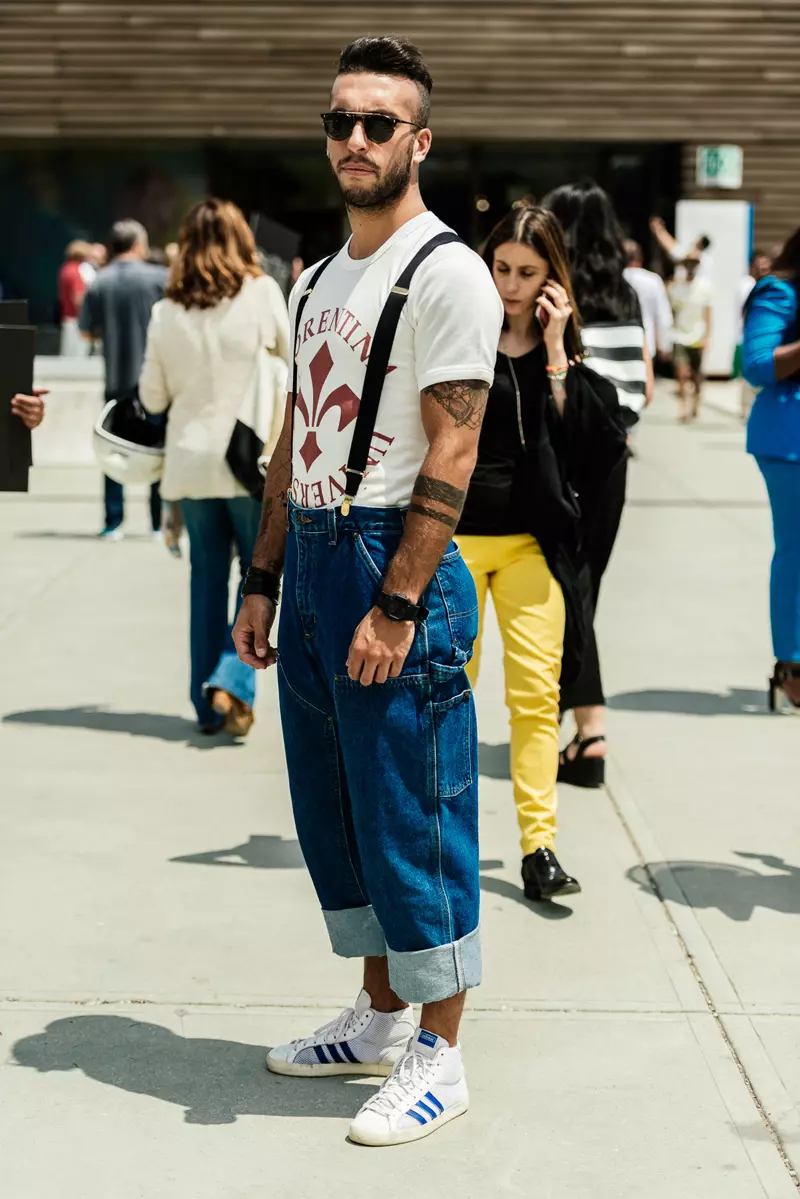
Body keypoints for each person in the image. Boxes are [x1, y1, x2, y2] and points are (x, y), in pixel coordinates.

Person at [232, 35, 503, 1146]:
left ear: (418, 141)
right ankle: (379, 1013)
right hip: (312, 552)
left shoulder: (447, 272)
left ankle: (440, 1050)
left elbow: (453, 446)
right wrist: (262, 574)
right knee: (334, 803)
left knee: (412, 804)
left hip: (395, 557)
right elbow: (298, 429)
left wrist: (395, 605)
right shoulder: (311, 277)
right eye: (339, 120)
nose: (353, 138)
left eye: (377, 123)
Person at [457, 204, 625, 903]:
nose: (512, 285)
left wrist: (556, 353)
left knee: (534, 701)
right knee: (446, 697)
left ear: (552, 277)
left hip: (531, 546)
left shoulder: (565, 353)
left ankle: (539, 848)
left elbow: (591, 442)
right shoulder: (457, 332)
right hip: (452, 541)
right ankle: (446, 843)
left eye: (528, 272)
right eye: (501, 269)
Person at [139, 199, 290, 737]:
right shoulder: (263, 293)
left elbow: (152, 399)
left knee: (205, 579)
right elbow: (292, 363)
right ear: (240, 241)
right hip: (250, 460)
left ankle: (206, 704)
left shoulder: (166, 311)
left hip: (190, 463)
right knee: (256, 580)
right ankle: (233, 679)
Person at [543, 180, 650, 788]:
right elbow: (646, 387)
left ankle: (590, 735)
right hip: (614, 458)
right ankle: (579, 727)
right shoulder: (628, 292)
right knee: (584, 591)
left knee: (568, 594)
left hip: (565, 454)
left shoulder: (558, 294)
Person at [741, 227, 800, 709]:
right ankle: (793, 664)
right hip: (790, 440)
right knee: (797, 552)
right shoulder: (781, 290)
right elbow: (758, 364)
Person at [80, 219, 167, 540]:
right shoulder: (161, 278)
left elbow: (86, 331)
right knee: (159, 450)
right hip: (155, 381)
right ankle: (159, 522)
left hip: (116, 380)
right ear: (138, 245)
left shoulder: (98, 282)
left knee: (113, 451)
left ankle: (113, 522)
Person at [670, 254, 714, 422]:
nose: (690, 267)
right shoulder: (677, 287)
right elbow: (672, 311)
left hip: (698, 335)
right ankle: (683, 407)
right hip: (680, 335)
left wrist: (707, 337)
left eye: (693, 264)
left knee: (696, 375)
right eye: (687, 264)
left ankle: (695, 402)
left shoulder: (705, 287)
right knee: (681, 373)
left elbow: (708, 314)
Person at [734, 250, 772, 421]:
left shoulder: (774, 289)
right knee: (748, 378)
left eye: (766, 268)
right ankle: (748, 413)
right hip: (748, 339)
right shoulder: (747, 287)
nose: (763, 271)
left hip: (768, 344)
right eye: (760, 267)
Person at [623, 239, 673, 361]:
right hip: (646, 342)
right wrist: (664, 345)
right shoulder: (653, 280)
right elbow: (663, 315)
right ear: (640, 258)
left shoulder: (615, 279)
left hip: (620, 342)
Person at [58, 240, 92, 357]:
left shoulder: (65, 269)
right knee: (78, 355)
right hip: (77, 318)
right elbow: (78, 297)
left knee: (67, 352)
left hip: (67, 316)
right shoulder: (76, 272)